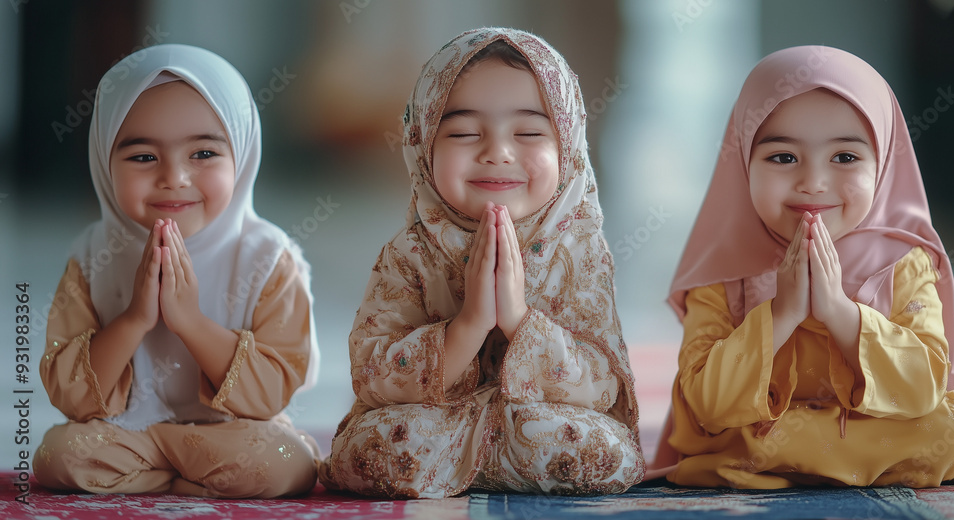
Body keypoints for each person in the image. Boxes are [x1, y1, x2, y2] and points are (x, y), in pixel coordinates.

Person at [319, 28, 644, 498]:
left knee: (598, 449)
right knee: (377, 446)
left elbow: (601, 385)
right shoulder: (410, 252)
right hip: (428, 425)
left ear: (569, 147)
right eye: (465, 133)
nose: (497, 152)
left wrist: (517, 320)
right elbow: (372, 378)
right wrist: (468, 325)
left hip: (539, 425)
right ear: (423, 144)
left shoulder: (578, 252)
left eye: (529, 132)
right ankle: (488, 465)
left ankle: (485, 462)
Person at [647, 45, 954, 488]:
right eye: (783, 157)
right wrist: (782, 313)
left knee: (953, 432)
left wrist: (840, 314)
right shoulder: (725, 270)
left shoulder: (902, 263)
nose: (813, 182)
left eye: (845, 157)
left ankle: (771, 462)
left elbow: (924, 385)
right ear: (742, 164)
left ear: (883, 163)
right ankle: (829, 462)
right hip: (756, 425)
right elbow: (707, 402)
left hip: (802, 435)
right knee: (710, 427)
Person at [34, 44, 321, 498]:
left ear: (241, 154)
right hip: (129, 434)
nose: (174, 177)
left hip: (227, 434)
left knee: (283, 462)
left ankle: (158, 477)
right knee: (59, 455)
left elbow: (272, 394)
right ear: (104, 163)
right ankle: (183, 476)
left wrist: (190, 321)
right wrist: (134, 319)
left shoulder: (266, 257)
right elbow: (70, 396)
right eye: (143, 157)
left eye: (203, 154)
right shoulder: (93, 256)